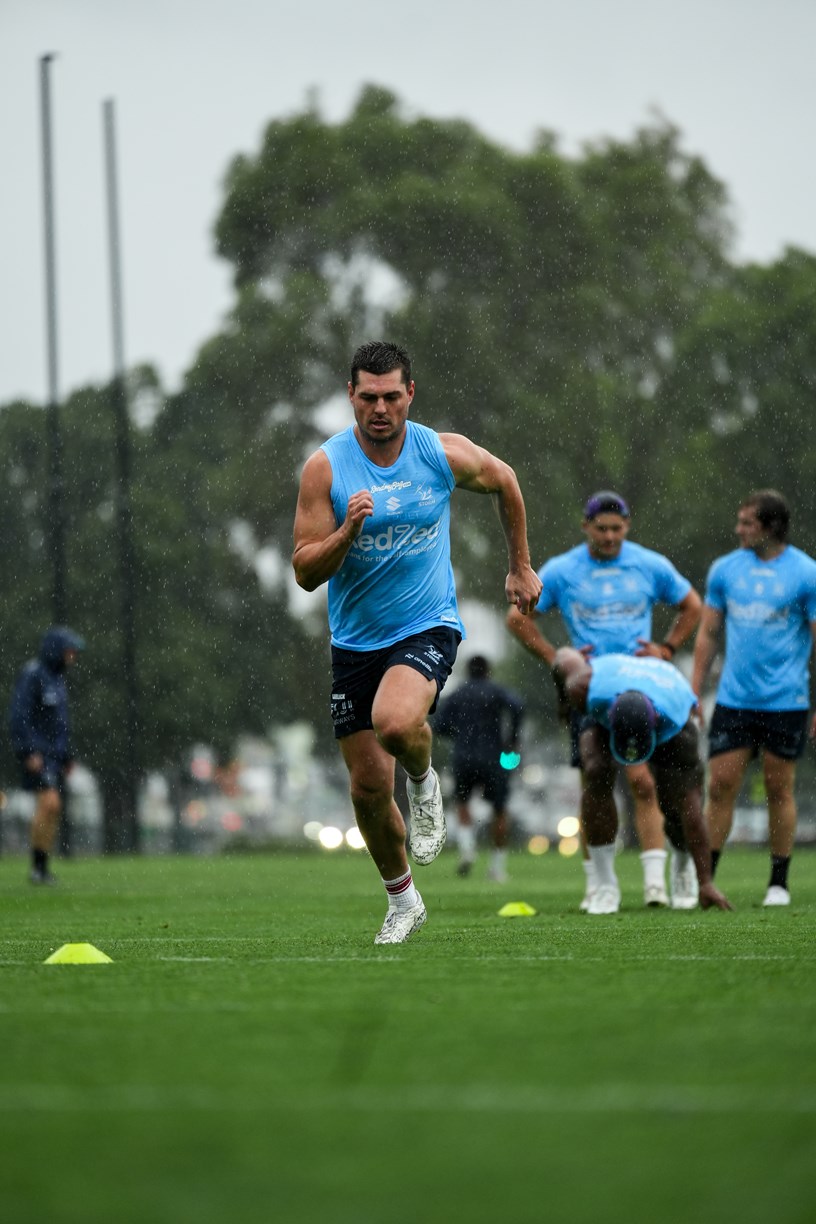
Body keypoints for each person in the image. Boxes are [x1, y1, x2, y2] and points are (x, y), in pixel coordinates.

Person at [292, 341, 542, 944]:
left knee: (397, 724)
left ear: (410, 395)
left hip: (426, 623)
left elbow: (505, 480)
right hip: (355, 642)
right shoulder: (326, 468)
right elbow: (304, 571)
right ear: (351, 395)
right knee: (369, 789)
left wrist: (520, 566)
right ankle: (403, 901)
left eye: (391, 396)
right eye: (369, 397)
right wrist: (348, 531)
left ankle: (428, 784)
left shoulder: (438, 452)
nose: (381, 408)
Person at [507, 490, 702, 910]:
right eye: (602, 529)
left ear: (627, 527)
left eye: (617, 529)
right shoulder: (562, 570)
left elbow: (692, 606)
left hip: (641, 685)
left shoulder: (648, 564)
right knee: (594, 782)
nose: (610, 537)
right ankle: (598, 883)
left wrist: (667, 648)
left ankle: (655, 883)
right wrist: (559, 658)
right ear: (586, 527)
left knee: (646, 782)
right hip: (590, 690)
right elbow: (516, 617)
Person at [692, 490, 816, 906]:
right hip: (734, 699)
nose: (739, 529)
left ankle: (778, 883)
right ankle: (705, 881)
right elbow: (708, 633)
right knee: (721, 785)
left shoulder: (806, 573)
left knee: (780, 789)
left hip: (787, 700)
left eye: (747, 523)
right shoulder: (725, 570)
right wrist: (694, 687)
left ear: (771, 527)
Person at [552, 647, 732, 914]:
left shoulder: (679, 718)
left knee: (677, 802)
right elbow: (564, 656)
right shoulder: (584, 688)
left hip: (664, 712)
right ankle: (604, 884)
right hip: (610, 698)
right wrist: (564, 704)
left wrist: (706, 881)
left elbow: (693, 811)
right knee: (595, 771)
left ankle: (683, 868)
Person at [434, 654, 524, 882]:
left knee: (462, 801)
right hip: (494, 757)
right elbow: (517, 706)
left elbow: (440, 724)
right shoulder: (496, 691)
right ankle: (497, 867)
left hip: (463, 757)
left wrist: (459, 735)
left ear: (468, 671)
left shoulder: (457, 694)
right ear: (488, 671)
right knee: (500, 809)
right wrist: (512, 737)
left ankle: (467, 848)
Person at [9, 625, 85, 885]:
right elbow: (19, 716)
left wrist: (66, 756)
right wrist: (28, 750)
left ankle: (41, 868)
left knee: (54, 808)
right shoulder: (33, 675)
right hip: (38, 755)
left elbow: (59, 724)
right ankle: (37, 868)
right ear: (56, 650)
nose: (72, 656)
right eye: (69, 651)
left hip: (53, 757)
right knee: (49, 803)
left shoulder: (57, 679)